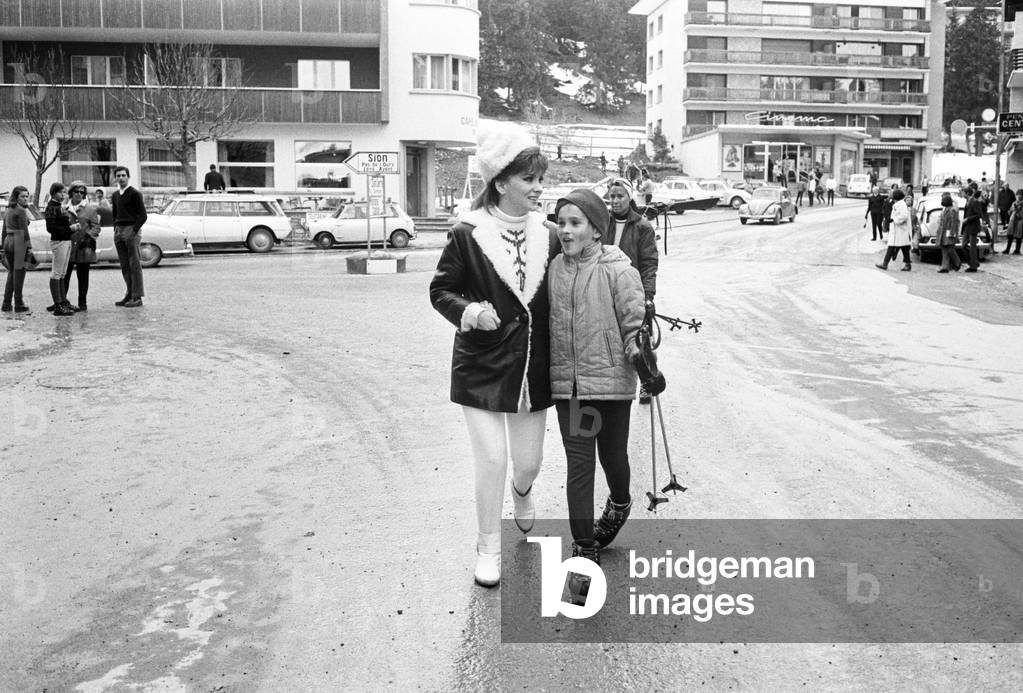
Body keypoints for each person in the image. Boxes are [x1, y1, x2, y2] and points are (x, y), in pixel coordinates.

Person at [429, 121, 559, 588]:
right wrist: (468, 312)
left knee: (527, 463)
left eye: (540, 178)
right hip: (481, 366)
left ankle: (523, 493)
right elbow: (441, 290)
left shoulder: (550, 235)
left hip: (531, 369)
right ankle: (487, 547)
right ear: (501, 182)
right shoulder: (468, 234)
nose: (538, 188)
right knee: (491, 459)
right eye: (528, 179)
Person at [547, 188, 645, 599]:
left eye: (575, 223)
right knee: (579, 466)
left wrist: (642, 354)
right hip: (568, 388)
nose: (566, 231)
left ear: (595, 229)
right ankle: (585, 549)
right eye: (562, 223)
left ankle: (620, 502)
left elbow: (635, 322)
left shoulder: (617, 268)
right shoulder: (553, 268)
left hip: (608, 384)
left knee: (613, 459)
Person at [606, 178, 659, 403]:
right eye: (612, 196)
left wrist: (648, 296)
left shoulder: (642, 227)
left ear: (630, 198)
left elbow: (649, 264)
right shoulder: (602, 222)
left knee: (641, 337)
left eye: (620, 196)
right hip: (607, 288)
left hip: (633, 290)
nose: (615, 201)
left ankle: (648, 381)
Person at [110, 165, 147, 306]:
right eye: (118, 175)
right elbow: (114, 215)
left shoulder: (135, 194)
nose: (121, 178)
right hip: (119, 231)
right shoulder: (114, 195)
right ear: (115, 178)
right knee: (125, 265)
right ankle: (129, 294)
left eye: (123, 175)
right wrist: (116, 229)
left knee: (134, 264)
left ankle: (137, 297)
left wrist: (134, 230)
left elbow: (143, 216)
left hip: (131, 230)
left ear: (128, 177)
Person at [63, 181, 102, 311]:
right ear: (71, 193)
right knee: (65, 275)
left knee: (83, 276)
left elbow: (96, 227)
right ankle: (62, 300)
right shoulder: (64, 208)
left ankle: (82, 302)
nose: (79, 194)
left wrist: (88, 236)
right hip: (67, 246)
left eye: (82, 192)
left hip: (84, 247)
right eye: (76, 191)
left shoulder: (89, 209)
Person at [43, 182, 77, 316]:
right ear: (53, 193)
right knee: (57, 273)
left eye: (64, 192)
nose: (63, 195)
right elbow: (50, 228)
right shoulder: (52, 207)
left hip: (66, 240)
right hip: (59, 241)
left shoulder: (59, 206)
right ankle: (58, 304)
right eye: (60, 192)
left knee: (62, 273)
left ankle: (63, 301)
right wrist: (70, 228)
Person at [2, 185, 33, 313]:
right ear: (16, 197)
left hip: (8, 241)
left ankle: (6, 303)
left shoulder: (9, 209)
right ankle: (19, 303)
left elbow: (4, 229)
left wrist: (2, 246)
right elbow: (24, 230)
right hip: (19, 241)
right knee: (19, 274)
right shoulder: (20, 211)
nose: (25, 199)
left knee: (11, 273)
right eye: (22, 196)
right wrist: (29, 247)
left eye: (27, 196)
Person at [875, 188, 912, 272]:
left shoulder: (901, 205)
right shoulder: (899, 204)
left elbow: (904, 216)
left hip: (900, 230)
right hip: (899, 230)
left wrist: (894, 220)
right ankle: (907, 264)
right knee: (904, 247)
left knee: (891, 246)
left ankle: (885, 264)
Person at [936, 193, 962, 273]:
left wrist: (952, 232)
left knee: (950, 249)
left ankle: (957, 262)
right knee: (944, 249)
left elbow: (954, 222)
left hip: (949, 232)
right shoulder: (945, 209)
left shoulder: (952, 210)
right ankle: (945, 267)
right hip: (943, 232)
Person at [961, 188, 985, 272]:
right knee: (963, 245)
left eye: (963, 192)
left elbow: (978, 215)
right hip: (967, 227)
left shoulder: (975, 201)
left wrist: (968, 219)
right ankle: (973, 262)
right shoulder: (967, 201)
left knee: (972, 247)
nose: (962, 194)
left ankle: (973, 266)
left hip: (973, 227)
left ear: (967, 193)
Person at [1003, 189, 1023, 255]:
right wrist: (1010, 211)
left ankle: (1017, 250)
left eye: (1020, 195)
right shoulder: (1014, 203)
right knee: (1010, 235)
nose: (1018, 197)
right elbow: (1010, 211)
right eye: (1018, 195)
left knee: (1018, 236)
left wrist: (1017, 211)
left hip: (1020, 221)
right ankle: (1007, 249)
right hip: (1012, 220)